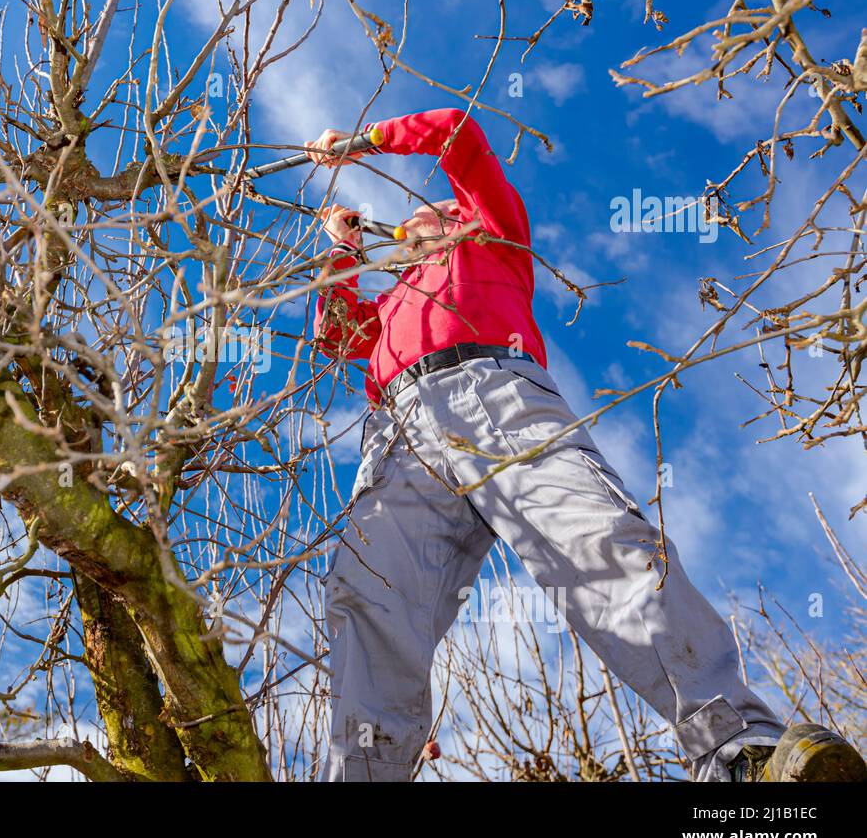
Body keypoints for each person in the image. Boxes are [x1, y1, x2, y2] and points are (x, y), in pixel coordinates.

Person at [307, 108, 867, 782]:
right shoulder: (396, 298)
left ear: (457, 218)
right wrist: (341, 250)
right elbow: (337, 334)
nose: (413, 221)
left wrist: (361, 143)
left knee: (601, 542)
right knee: (369, 601)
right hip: (397, 432)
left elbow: (453, 127)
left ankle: (742, 752)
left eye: (432, 211)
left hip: (494, 392)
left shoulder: (494, 236)